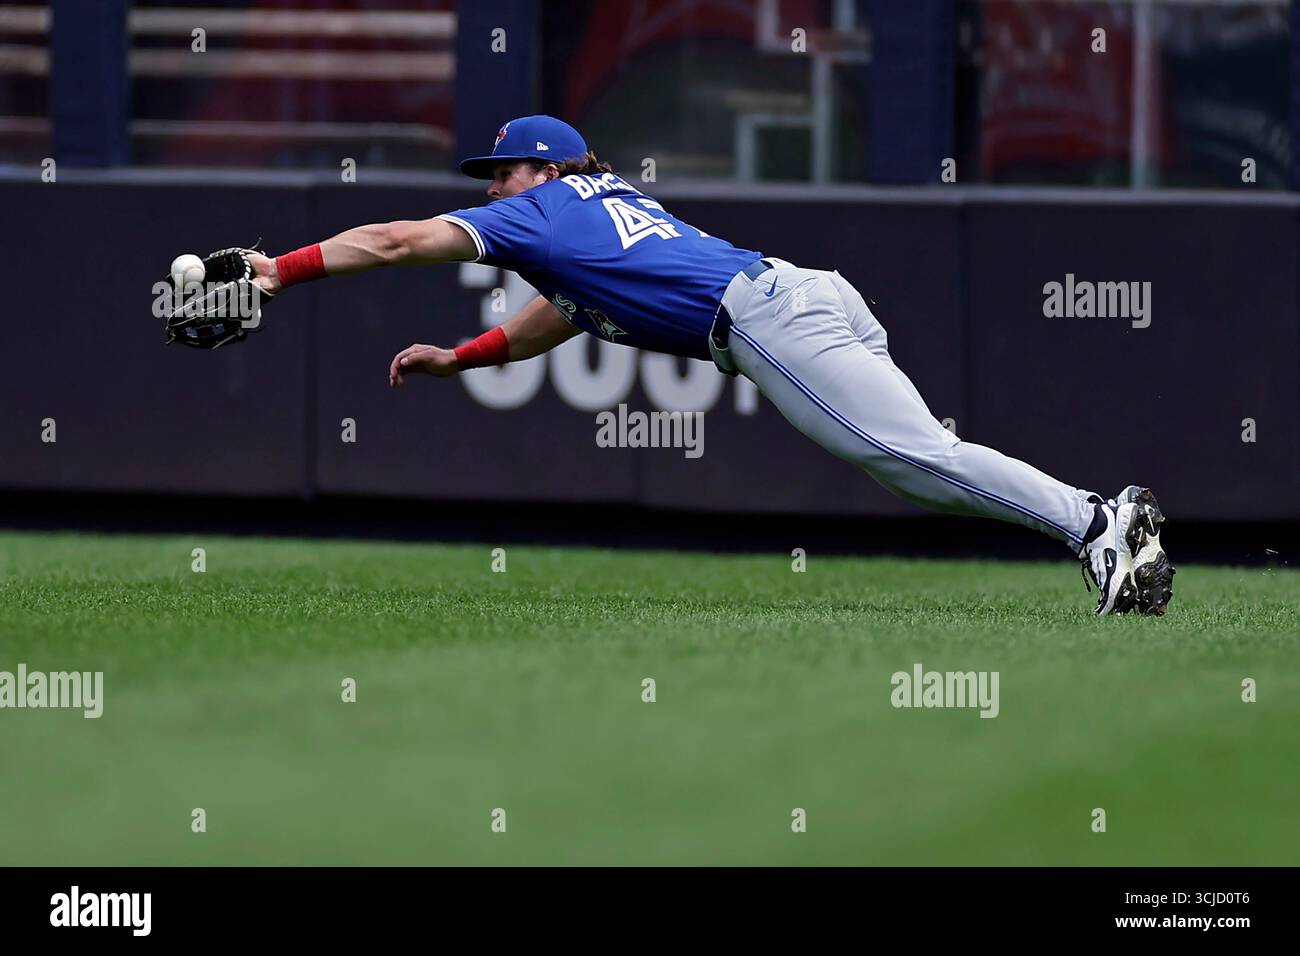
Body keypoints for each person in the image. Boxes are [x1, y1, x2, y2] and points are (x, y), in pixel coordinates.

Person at [245, 115, 1174, 615]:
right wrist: (470, 356)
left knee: (916, 459)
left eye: (506, 172)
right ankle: (1093, 522)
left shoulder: (547, 207)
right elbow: (561, 315)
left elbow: (396, 238)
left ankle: (1098, 521)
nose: (493, 189)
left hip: (766, 319)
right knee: (923, 456)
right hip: (809, 292)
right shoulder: (588, 210)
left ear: (550, 171)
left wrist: (279, 270)